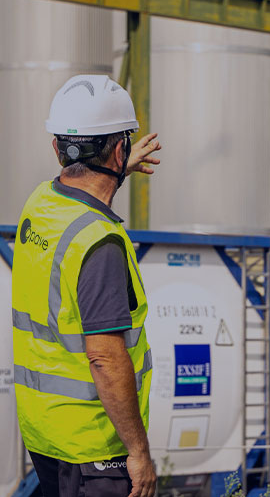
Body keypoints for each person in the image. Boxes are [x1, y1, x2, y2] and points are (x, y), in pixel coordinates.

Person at [12, 74, 162, 497]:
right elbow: (105, 357)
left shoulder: (39, 203)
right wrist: (138, 451)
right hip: (94, 448)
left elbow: (79, 190)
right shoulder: (100, 243)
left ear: (57, 148)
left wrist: (115, 170)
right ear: (120, 148)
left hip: (44, 433)